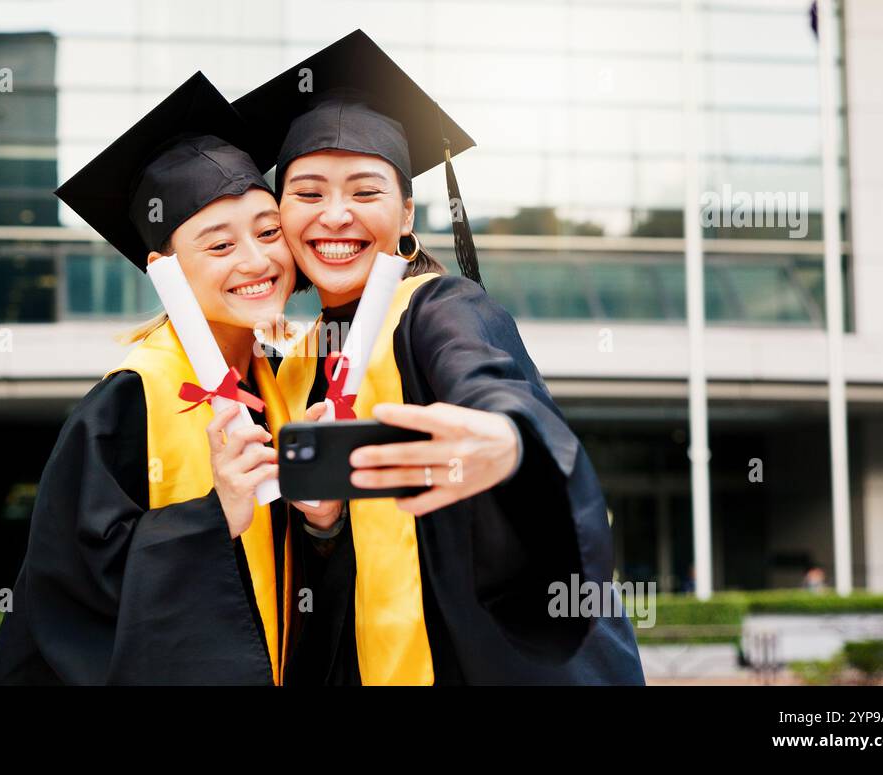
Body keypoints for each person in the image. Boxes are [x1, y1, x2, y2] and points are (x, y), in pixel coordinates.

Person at [234, 31, 645, 685]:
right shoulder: (295, 365)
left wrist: (509, 442)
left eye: (365, 192)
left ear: (405, 215)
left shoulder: (439, 307)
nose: (334, 215)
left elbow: (485, 377)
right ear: (280, 214)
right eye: (308, 193)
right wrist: (323, 525)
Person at [0, 73, 296, 685]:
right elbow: (72, 586)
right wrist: (213, 518)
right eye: (219, 245)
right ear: (165, 269)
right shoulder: (130, 397)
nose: (257, 261)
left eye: (268, 231)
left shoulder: (284, 385)